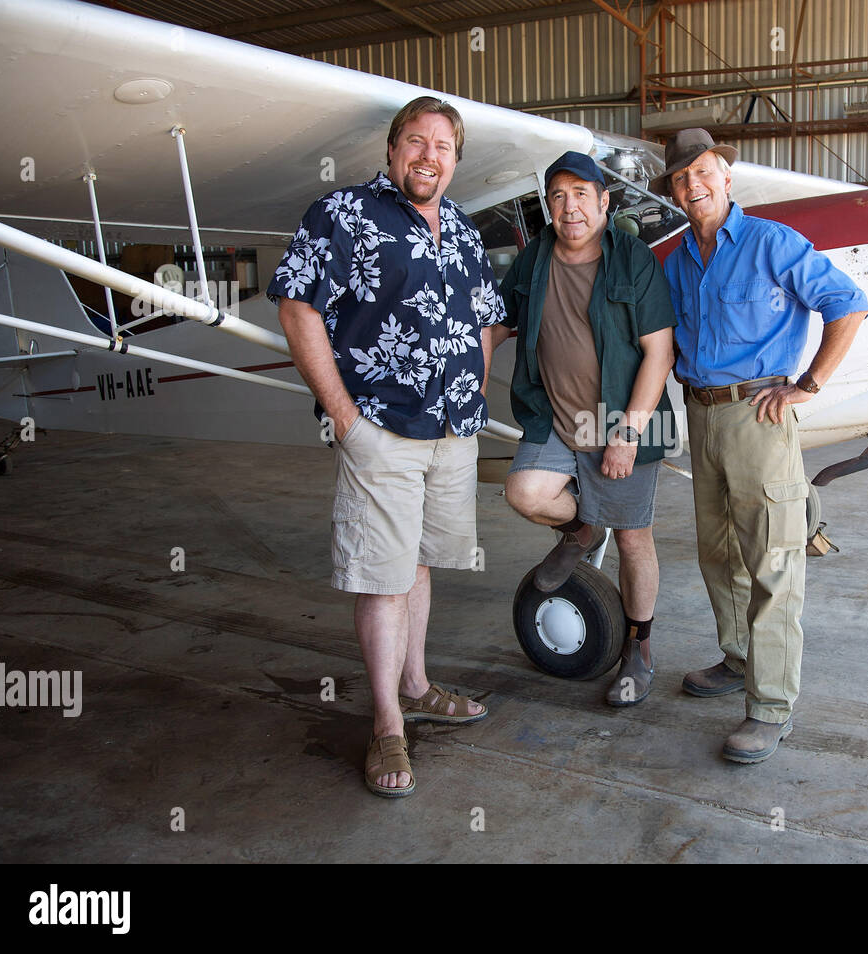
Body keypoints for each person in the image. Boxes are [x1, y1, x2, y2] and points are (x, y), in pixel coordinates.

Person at [268, 96, 507, 797]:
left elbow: (486, 320)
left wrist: (470, 397)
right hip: (382, 430)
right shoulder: (343, 214)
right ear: (392, 150)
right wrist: (347, 419)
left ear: (456, 159)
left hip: (453, 434)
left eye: (442, 145)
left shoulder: (462, 229)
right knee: (382, 577)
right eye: (414, 141)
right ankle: (385, 725)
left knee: (420, 563)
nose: (428, 155)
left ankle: (417, 684)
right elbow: (296, 304)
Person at [652, 128, 868, 763]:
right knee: (718, 552)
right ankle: (737, 658)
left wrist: (809, 384)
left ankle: (772, 706)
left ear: (725, 174)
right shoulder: (679, 258)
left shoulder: (771, 242)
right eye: (680, 178)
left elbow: (847, 304)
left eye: (703, 172)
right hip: (701, 415)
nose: (692, 185)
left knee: (773, 558)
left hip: (758, 416)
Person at [495, 151, 676, 706]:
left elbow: (659, 352)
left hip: (616, 418)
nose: (569, 206)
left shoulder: (634, 260)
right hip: (554, 415)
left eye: (581, 194)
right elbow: (496, 324)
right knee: (524, 492)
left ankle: (638, 648)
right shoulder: (533, 260)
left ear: (604, 201)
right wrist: (468, 384)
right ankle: (580, 531)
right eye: (558, 196)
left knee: (633, 539)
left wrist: (627, 433)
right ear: (548, 206)